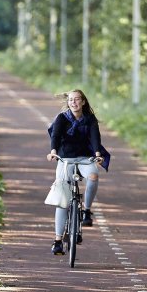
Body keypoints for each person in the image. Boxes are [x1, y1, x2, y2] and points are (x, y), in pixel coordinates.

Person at [46, 89, 105, 255]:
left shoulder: (90, 119)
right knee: (62, 200)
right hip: (65, 159)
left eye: (77, 100)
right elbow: (55, 136)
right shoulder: (62, 118)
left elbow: (95, 137)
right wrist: (53, 151)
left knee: (93, 176)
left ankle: (87, 210)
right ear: (68, 102)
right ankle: (57, 241)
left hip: (85, 158)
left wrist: (98, 155)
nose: (74, 102)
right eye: (71, 100)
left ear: (83, 102)